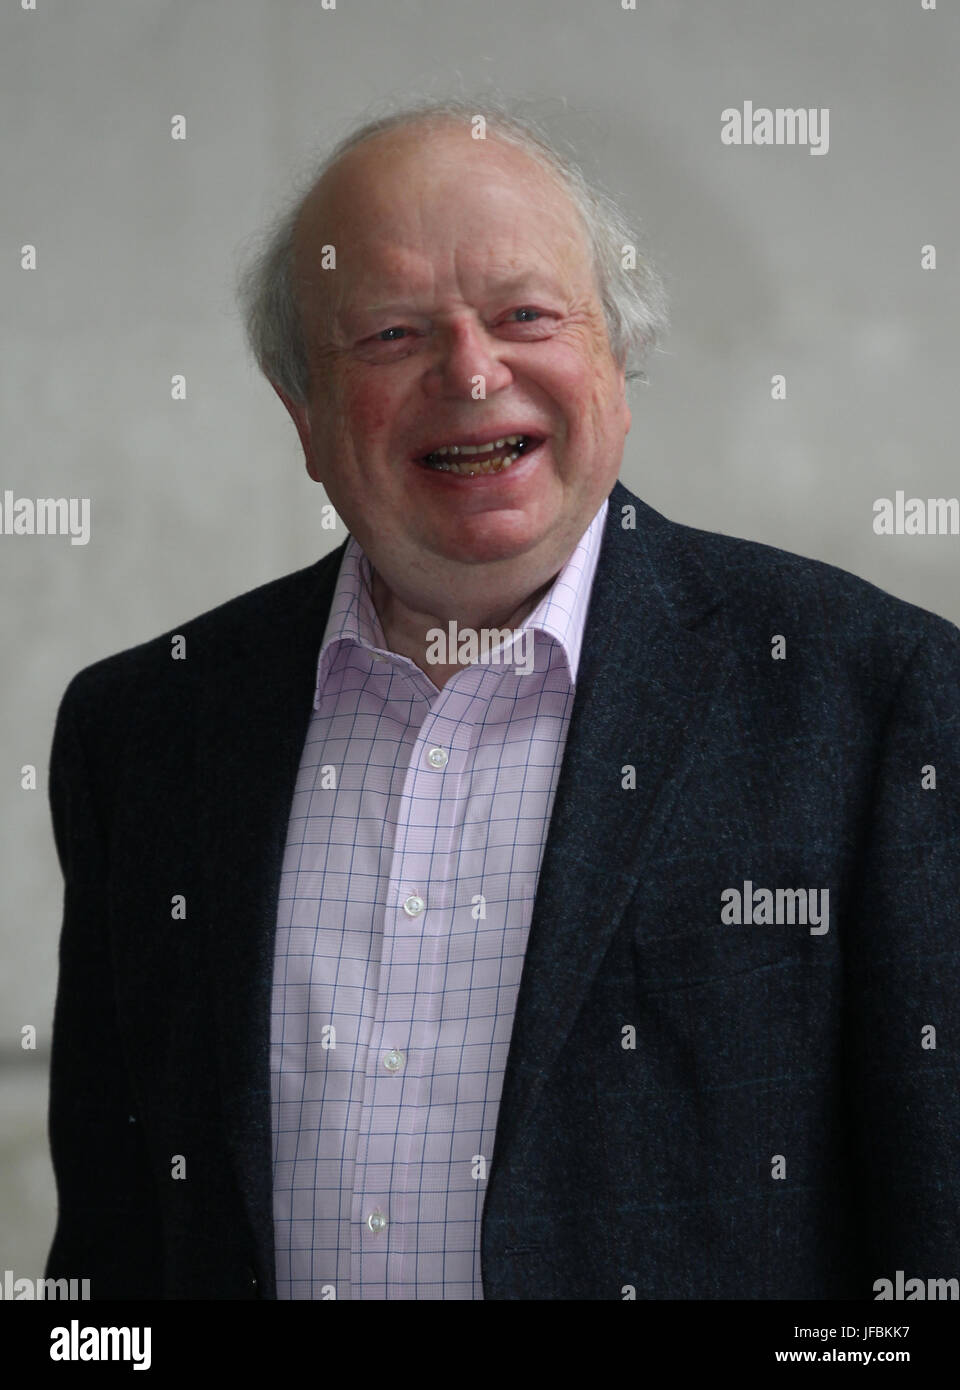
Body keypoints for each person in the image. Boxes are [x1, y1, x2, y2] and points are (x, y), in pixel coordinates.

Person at [44, 97, 960, 1301]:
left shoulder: (874, 701)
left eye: (527, 315)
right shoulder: (144, 731)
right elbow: (112, 1260)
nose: (472, 373)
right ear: (302, 414)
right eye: (389, 333)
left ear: (618, 362)